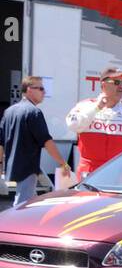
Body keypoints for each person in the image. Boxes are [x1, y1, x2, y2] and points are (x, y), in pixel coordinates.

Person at [65, 67, 122, 179]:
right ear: (103, 85)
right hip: (90, 174)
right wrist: (97, 108)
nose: (120, 86)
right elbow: (73, 125)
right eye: (116, 82)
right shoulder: (84, 106)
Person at [0, 76, 71, 206]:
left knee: (32, 201)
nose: (44, 92)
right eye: (41, 88)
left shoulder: (9, 112)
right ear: (29, 90)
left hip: (13, 166)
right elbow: (47, 141)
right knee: (23, 205)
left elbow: (1, 142)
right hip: (28, 168)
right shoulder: (34, 112)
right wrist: (63, 164)